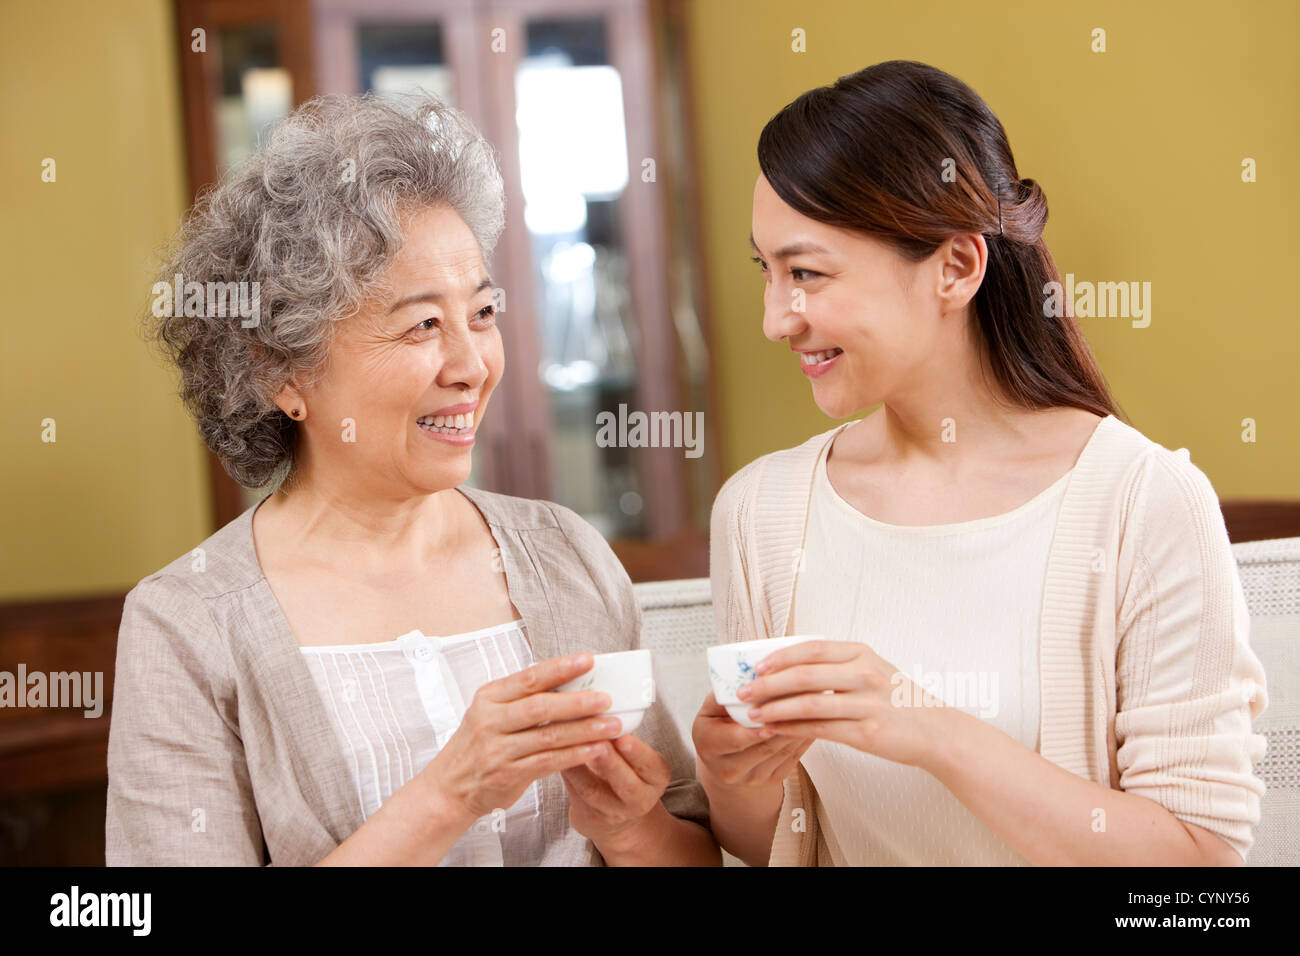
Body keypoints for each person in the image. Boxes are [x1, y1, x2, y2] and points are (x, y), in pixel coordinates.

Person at [107, 92, 718, 866]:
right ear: (282, 373)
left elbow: (689, 851)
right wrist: (452, 792)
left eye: (484, 313)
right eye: (422, 325)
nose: (471, 366)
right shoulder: (187, 625)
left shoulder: (563, 551)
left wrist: (630, 829)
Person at [694, 60, 1268, 866]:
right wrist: (732, 781)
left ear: (957, 267)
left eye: (807, 273)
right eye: (767, 271)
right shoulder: (762, 512)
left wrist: (927, 727)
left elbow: (1199, 868)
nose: (773, 319)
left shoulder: (1142, 501)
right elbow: (772, 842)